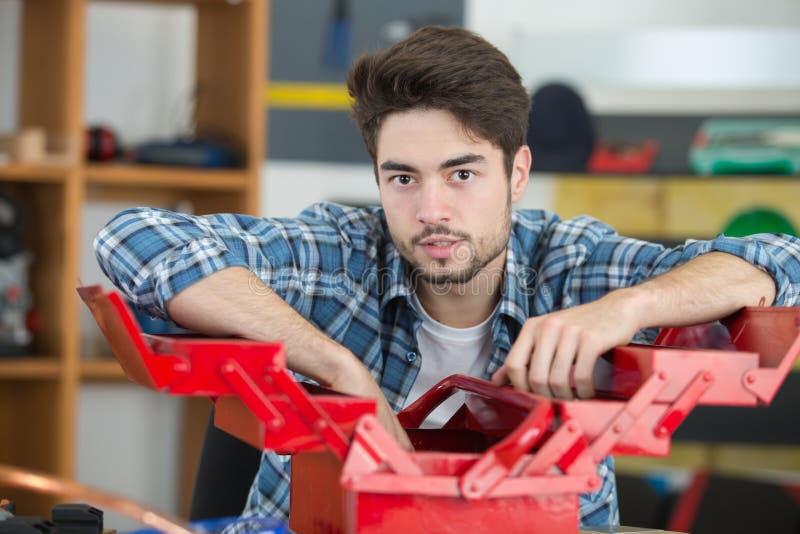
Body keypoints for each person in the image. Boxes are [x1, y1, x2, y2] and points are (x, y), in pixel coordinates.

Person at [94, 25, 800, 529]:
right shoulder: (341, 255)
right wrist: (338, 370)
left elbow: (783, 261)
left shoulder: (571, 263)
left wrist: (627, 307)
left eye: (462, 174)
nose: (431, 210)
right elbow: (132, 237)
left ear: (516, 173)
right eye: (403, 178)